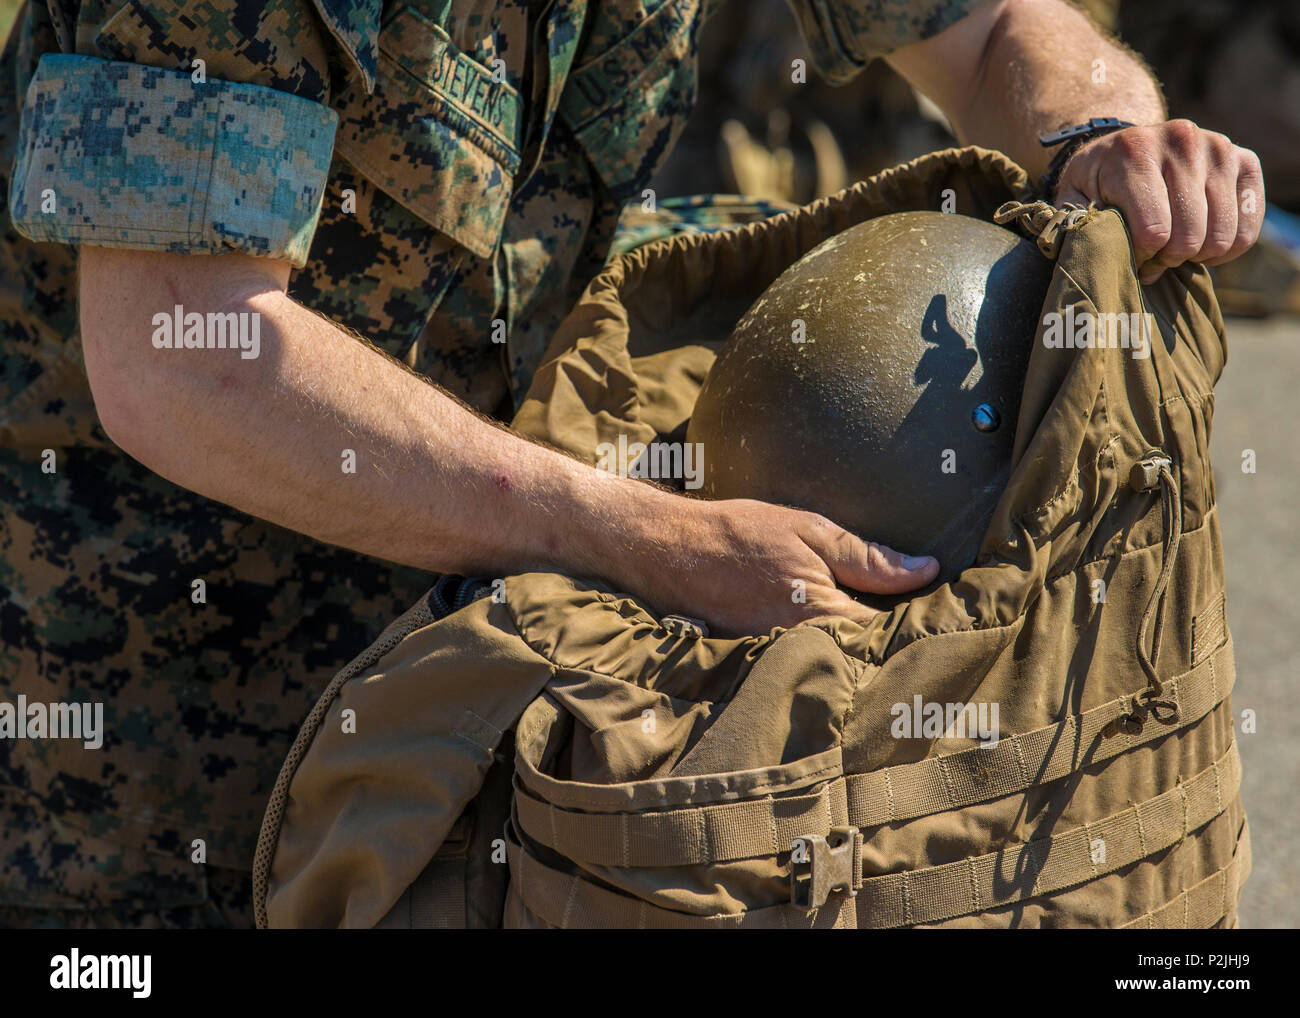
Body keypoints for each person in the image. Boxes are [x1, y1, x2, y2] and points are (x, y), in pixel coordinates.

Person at [0, 0, 1264, 928]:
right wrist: (641, 537)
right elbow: (181, 352)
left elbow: (985, 32)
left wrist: (1100, 134)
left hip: (492, 686)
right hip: (150, 727)